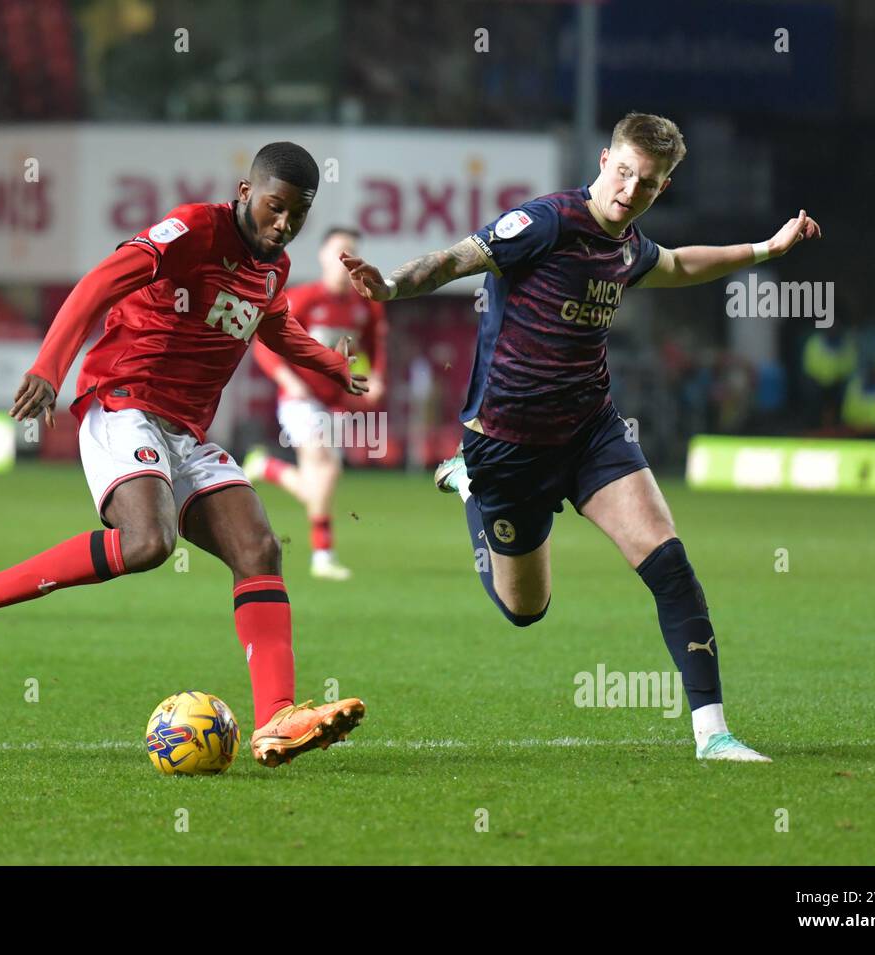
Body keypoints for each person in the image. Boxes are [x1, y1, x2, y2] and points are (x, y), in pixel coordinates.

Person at [341, 113, 822, 762]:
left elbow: (679, 264)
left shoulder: (626, 247)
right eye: (623, 172)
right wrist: (394, 285)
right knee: (525, 610)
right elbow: (456, 257)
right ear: (602, 161)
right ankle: (467, 487)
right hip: (506, 445)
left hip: (592, 432)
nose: (630, 190)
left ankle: (713, 733)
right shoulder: (547, 222)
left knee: (670, 564)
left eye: (647, 183)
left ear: (661, 188)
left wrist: (766, 249)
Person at [0, 143, 368, 768]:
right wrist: (49, 367)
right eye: (273, 207)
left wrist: (333, 366)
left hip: (188, 431)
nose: (282, 224)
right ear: (244, 193)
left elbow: (273, 325)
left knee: (259, 549)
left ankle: (276, 720)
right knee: (149, 542)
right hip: (124, 401)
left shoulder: (274, 268)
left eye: (296, 215)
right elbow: (99, 283)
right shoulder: (193, 230)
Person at [245, 226, 387, 580]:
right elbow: (264, 341)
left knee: (317, 484)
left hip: (334, 404)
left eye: (350, 254)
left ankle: (266, 467)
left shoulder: (364, 307)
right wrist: (287, 380)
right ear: (323, 257)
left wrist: (377, 378)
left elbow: (374, 349)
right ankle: (323, 556)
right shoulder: (304, 298)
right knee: (328, 468)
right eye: (337, 253)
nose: (343, 262)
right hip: (300, 401)